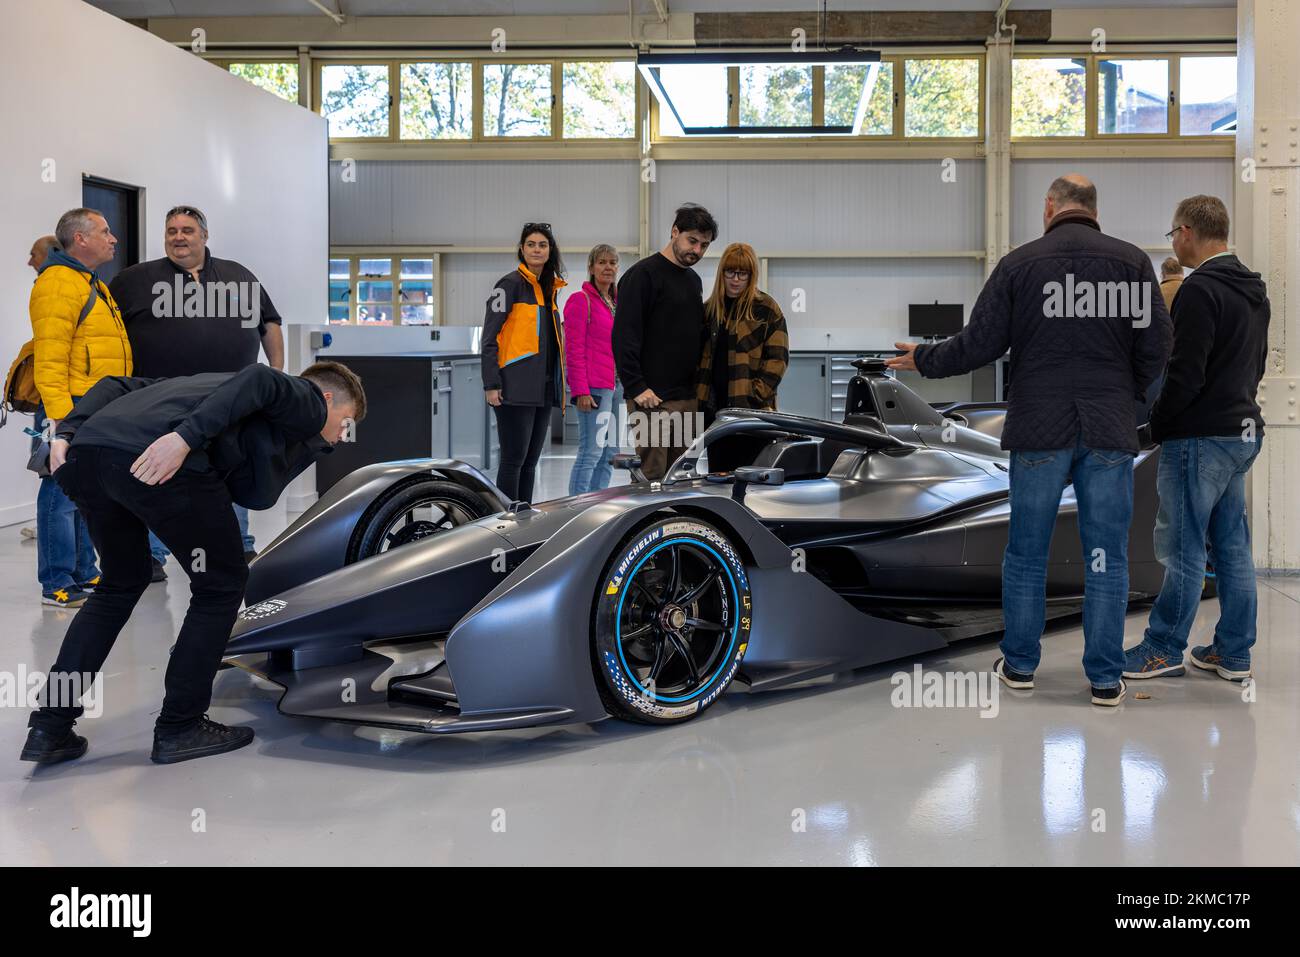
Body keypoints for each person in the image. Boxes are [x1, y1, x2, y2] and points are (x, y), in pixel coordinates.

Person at [886, 174, 1172, 706]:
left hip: (1040, 426)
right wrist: (1127, 400)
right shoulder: (1132, 263)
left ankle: (1019, 666)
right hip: (1109, 429)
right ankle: (1106, 678)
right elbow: (1158, 344)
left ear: (1050, 207)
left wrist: (923, 358)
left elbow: (979, 343)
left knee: (1026, 552)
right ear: (1093, 208)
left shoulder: (1021, 263)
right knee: (1106, 553)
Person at [20, 361, 365, 766]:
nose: (342, 437)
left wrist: (67, 431)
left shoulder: (194, 380)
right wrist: (183, 439)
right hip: (158, 461)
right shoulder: (306, 398)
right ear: (327, 398)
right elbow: (261, 377)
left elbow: (115, 384)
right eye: (345, 424)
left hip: (90, 459)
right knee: (220, 586)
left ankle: (50, 726)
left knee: (118, 585)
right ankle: (180, 727)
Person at [1123, 196, 1269, 684]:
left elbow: (1184, 376)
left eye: (1172, 234)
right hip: (1241, 435)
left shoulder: (1199, 289)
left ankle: (1162, 648)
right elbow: (1256, 367)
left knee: (1182, 549)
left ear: (1186, 231)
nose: (1174, 242)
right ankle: (1233, 652)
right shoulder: (1254, 289)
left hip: (1200, 438)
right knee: (1230, 547)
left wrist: (1155, 427)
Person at [110, 205, 285, 574]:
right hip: (159, 399)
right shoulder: (134, 280)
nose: (178, 237)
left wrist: (277, 374)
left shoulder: (238, 276)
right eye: (171, 230)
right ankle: (152, 556)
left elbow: (269, 323)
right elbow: (108, 332)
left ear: (204, 236)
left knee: (229, 468)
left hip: (229, 398)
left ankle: (238, 545)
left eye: (187, 230)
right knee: (155, 472)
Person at [29, 209, 133, 608]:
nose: (113, 239)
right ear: (81, 239)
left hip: (93, 405)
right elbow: (50, 359)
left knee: (85, 490)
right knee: (59, 493)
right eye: (105, 232)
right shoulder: (57, 284)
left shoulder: (88, 282)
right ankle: (57, 581)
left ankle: (85, 571)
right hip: (69, 407)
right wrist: (58, 419)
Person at [612, 203, 717, 480]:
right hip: (652, 400)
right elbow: (624, 336)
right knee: (652, 479)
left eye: (704, 245)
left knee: (683, 478)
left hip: (686, 399)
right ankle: (651, 526)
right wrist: (637, 387)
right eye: (692, 240)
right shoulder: (642, 276)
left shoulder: (693, 281)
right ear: (674, 232)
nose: (696, 250)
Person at [482, 223, 566, 503]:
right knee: (513, 460)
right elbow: (489, 338)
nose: (537, 249)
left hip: (541, 390)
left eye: (542, 245)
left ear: (549, 249)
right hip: (514, 388)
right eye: (531, 244)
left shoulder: (549, 290)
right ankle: (505, 522)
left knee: (531, 461)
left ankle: (524, 518)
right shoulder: (508, 286)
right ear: (522, 249)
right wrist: (491, 383)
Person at [697, 242, 789, 420]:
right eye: (730, 272)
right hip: (711, 410)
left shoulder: (767, 309)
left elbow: (778, 359)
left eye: (742, 274)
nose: (736, 279)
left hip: (752, 412)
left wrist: (755, 394)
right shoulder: (709, 311)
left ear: (751, 275)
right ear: (722, 273)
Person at [564, 244, 621, 495]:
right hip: (595, 387)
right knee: (591, 452)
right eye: (601, 262)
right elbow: (573, 350)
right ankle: (575, 509)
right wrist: (580, 390)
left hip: (618, 386)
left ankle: (599, 505)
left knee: (610, 452)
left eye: (612, 262)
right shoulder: (580, 300)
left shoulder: (617, 302)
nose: (607, 267)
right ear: (591, 267)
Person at [18, 236, 61, 544]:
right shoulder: (52, 288)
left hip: (54, 403)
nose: (29, 261)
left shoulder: (52, 287)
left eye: (33, 254)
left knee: (53, 474)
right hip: (54, 400)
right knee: (52, 473)